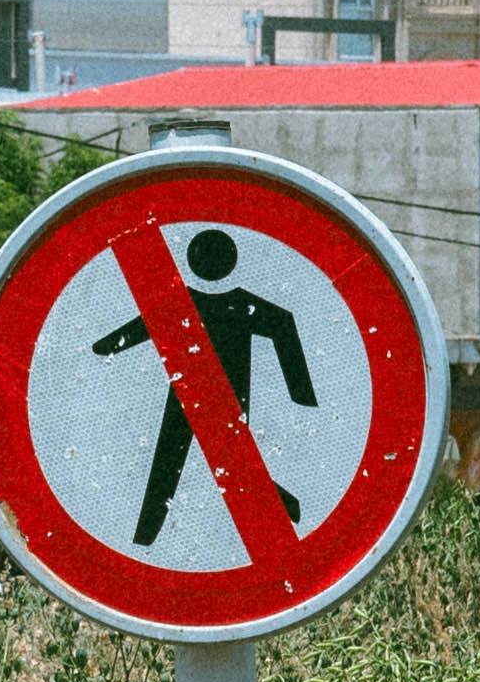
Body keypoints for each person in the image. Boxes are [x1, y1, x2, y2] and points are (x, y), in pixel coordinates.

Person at [93, 228, 318, 546]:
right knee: (224, 465)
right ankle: (145, 540)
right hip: (217, 396)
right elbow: (284, 325)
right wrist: (302, 394)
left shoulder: (183, 304)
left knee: (178, 463)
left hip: (197, 395)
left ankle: (144, 540)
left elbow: (134, 331)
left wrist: (103, 348)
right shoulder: (240, 304)